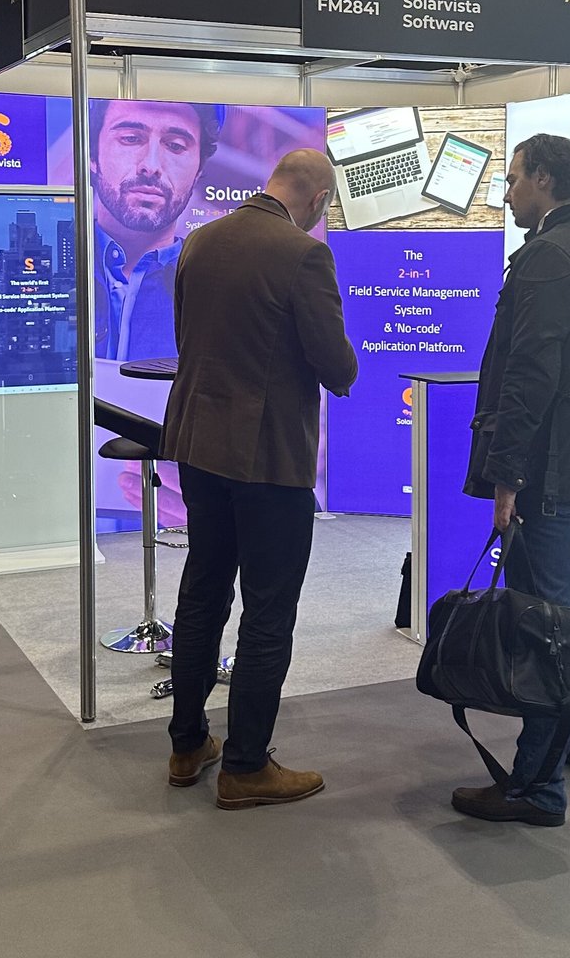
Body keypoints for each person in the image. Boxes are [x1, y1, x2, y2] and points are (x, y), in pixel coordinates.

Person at [160, 149, 358, 810]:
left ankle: (187, 745)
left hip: (198, 446)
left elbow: (188, 339)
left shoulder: (198, 241)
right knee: (268, 610)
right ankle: (245, 766)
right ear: (318, 199)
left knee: (203, 591)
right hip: (268, 456)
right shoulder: (305, 255)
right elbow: (336, 366)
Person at [455, 133, 570, 828]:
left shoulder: (547, 257)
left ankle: (536, 783)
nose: (506, 194)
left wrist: (507, 476)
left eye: (513, 179)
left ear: (544, 179)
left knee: (546, 621)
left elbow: (529, 375)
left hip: (551, 467)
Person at [91, 98, 224, 360]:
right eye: (131, 139)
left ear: (199, 171)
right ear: (92, 156)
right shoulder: (50, 267)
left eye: (175, 146)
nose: (151, 166)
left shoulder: (220, 289)